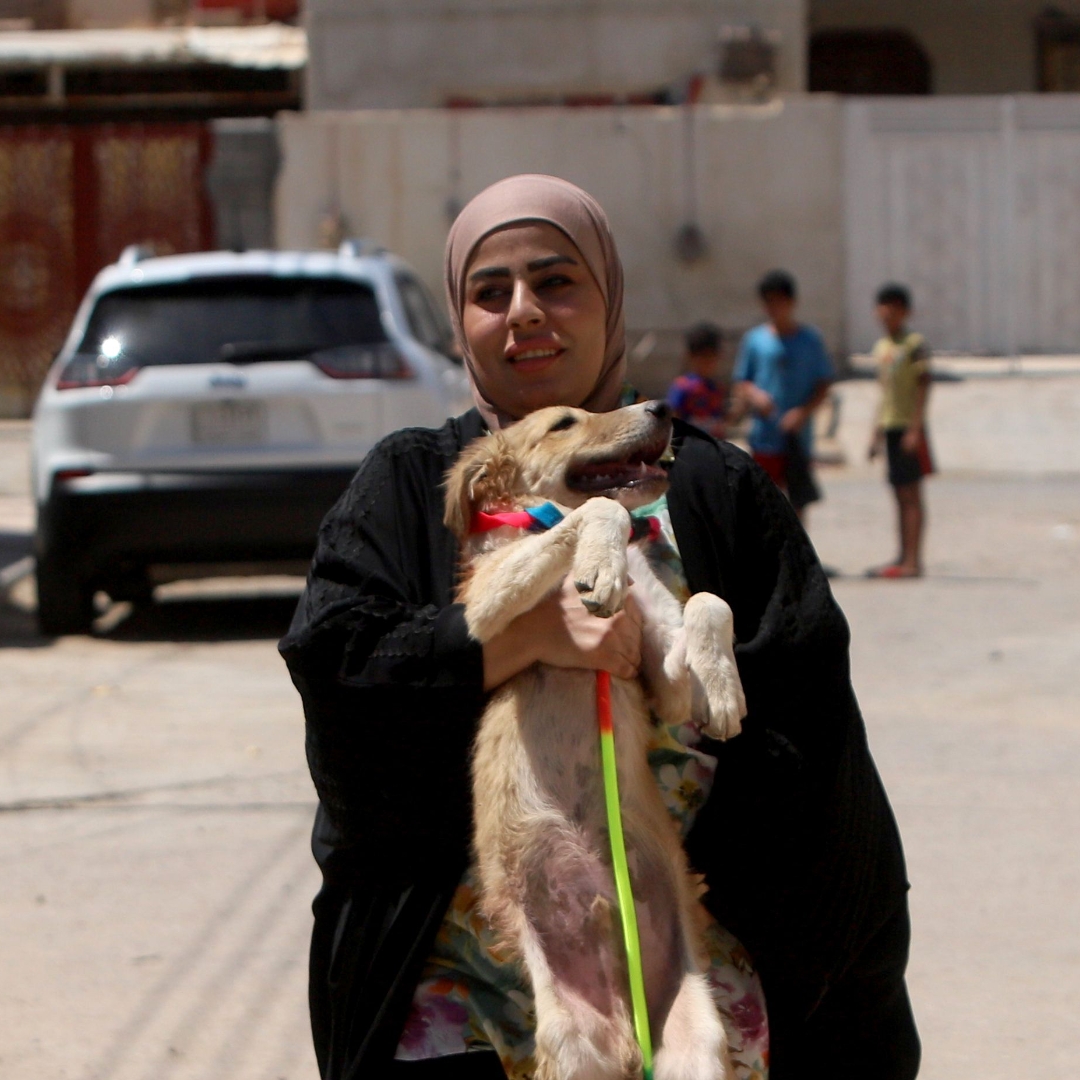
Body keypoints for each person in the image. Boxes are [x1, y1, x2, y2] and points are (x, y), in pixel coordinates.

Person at [279, 176, 919, 1080]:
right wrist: (522, 639)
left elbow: (809, 730)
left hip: (688, 981)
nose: (524, 314)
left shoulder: (715, 489)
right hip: (459, 1004)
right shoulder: (414, 483)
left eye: (557, 282)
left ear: (609, 296)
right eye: (488, 293)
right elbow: (343, 685)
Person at [732, 271, 834, 523]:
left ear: (791, 302)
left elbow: (823, 385)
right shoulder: (755, 340)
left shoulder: (810, 340)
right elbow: (742, 381)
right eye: (768, 302)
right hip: (764, 436)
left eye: (778, 301)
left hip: (797, 438)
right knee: (763, 501)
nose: (773, 308)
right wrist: (755, 395)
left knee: (797, 501)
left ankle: (798, 558)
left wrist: (803, 412)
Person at [866, 283, 934, 579]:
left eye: (893, 308)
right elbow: (883, 393)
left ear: (904, 311)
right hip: (890, 425)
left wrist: (915, 428)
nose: (887, 313)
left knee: (912, 494)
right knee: (898, 493)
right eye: (883, 307)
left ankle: (914, 560)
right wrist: (875, 433)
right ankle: (902, 553)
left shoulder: (913, 343)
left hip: (909, 427)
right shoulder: (883, 348)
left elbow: (923, 384)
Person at [667, 321, 728, 439]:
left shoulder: (717, 388)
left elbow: (720, 419)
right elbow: (674, 416)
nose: (708, 363)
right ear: (691, 356)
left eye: (712, 357)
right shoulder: (682, 386)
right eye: (703, 357)